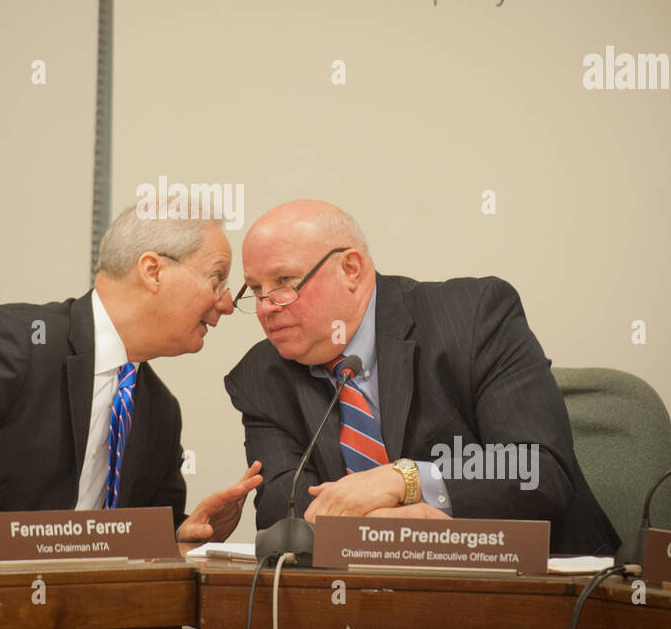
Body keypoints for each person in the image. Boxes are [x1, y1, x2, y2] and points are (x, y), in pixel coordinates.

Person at [0, 207, 261, 542]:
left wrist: (182, 533)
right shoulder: (16, 344)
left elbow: (143, 531)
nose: (226, 304)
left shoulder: (158, 409)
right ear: (153, 271)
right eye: (218, 280)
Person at [224, 200, 618, 555]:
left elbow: (537, 468)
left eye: (284, 283)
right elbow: (283, 507)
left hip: (540, 588)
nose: (265, 308)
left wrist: (405, 479)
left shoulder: (472, 318)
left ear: (351, 269)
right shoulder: (262, 376)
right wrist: (379, 533)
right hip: (365, 600)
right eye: (255, 290)